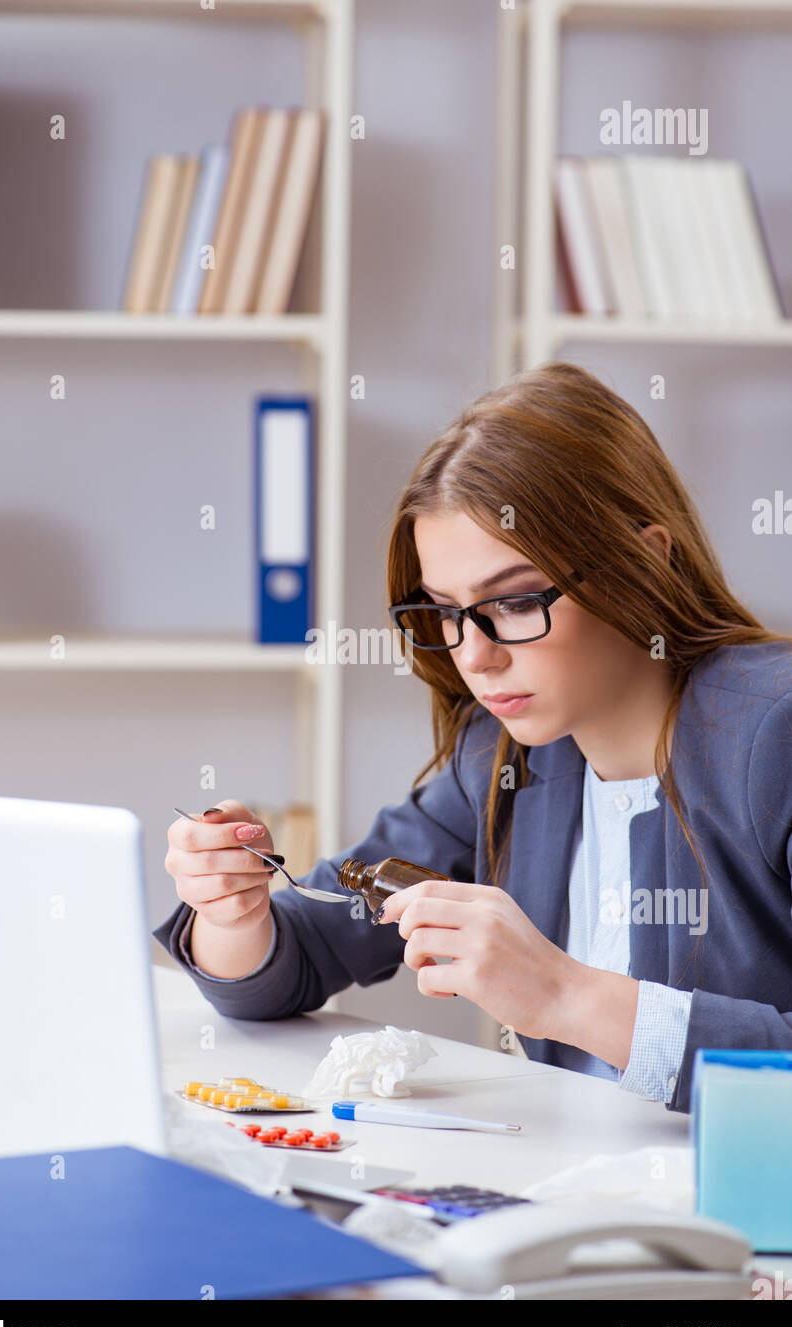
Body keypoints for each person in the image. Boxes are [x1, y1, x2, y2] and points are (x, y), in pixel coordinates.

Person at [154, 360, 792, 1114]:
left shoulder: (770, 732)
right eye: (445, 613)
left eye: (515, 602)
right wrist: (235, 913)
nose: (474, 656)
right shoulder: (501, 757)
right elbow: (299, 957)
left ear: (646, 560)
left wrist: (568, 997)